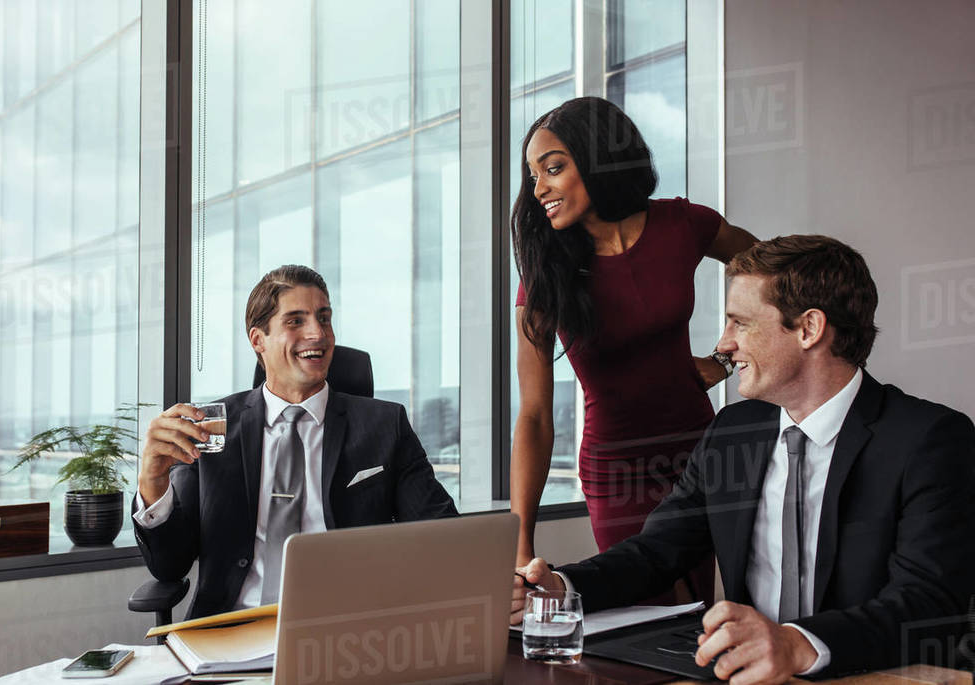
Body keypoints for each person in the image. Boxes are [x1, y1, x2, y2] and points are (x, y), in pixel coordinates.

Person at [513, 235, 975, 680]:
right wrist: (560, 587)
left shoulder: (930, 440)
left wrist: (796, 644)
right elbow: (656, 552)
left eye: (740, 322)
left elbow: (928, 604)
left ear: (809, 329)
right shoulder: (732, 432)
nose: (724, 344)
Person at [510, 96, 758, 603]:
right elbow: (534, 416)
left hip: (699, 453)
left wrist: (728, 357)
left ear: (598, 158)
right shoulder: (543, 277)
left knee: (703, 609)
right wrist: (520, 543)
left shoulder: (684, 224)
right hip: (616, 471)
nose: (538, 190)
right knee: (642, 612)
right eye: (533, 177)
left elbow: (771, 274)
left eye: (552, 169)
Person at [134, 264, 458, 619]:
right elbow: (168, 566)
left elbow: (444, 539)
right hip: (232, 627)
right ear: (258, 340)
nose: (317, 333)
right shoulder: (212, 428)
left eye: (324, 318)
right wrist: (152, 480)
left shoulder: (384, 425)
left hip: (346, 627)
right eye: (295, 321)